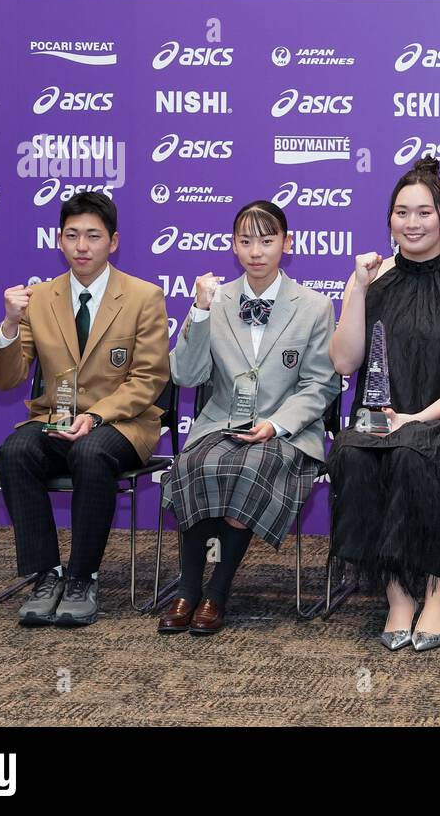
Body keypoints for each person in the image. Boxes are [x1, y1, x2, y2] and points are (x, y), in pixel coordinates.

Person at [327, 157, 440, 652]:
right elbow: (344, 362)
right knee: (352, 451)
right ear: (389, 221)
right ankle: (397, 591)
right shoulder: (370, 281)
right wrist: (357, 290)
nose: (412, 222)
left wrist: (416, 419)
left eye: (424, 212)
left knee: (409, 452)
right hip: (382, 422)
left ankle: (435, 589)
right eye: (401, 213)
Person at [156, 201, 340, 635]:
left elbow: (321, 385)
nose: (256, 250)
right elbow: (185, 374)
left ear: (287, 244)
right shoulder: (215, 301)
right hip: (220, 422)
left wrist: (276, 424)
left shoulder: (314, 306)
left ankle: (215, 593)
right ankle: (186, 589)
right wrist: (198, 313)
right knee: (194, 465)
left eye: (267, 239)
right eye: (245, 241)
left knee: (249, 468)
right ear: (233, 246)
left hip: (286, 430)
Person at [0, 191, 170, 627]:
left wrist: (96, 416)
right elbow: (7, 379)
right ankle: (46, 574)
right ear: (59, 240)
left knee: (91, 454)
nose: (82, 246)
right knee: (14, 452)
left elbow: (149, 379)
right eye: (72, 236)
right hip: (55, 419)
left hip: (122, 425)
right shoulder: (39, 300)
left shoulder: (144, 296)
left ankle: (82, 576)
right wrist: (10, 324)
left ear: (114, 241)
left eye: (93, 235)